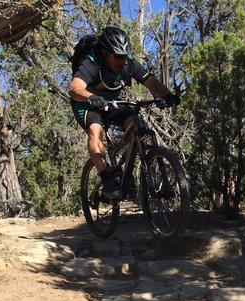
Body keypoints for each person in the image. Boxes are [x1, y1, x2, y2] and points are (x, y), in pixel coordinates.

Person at [69, 26, 179, 200]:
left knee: (135, 122)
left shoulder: (129, 63)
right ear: (106, 53)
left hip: (112, 103)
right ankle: (107, 181)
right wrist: (91, 97)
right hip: (87, 103)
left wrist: (168, 95)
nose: (122, 61)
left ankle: (124, 172)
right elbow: (75, 88)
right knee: (95, 129)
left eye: (125, 55)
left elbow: (150, 81)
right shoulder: (92, 63)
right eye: (117, 56)